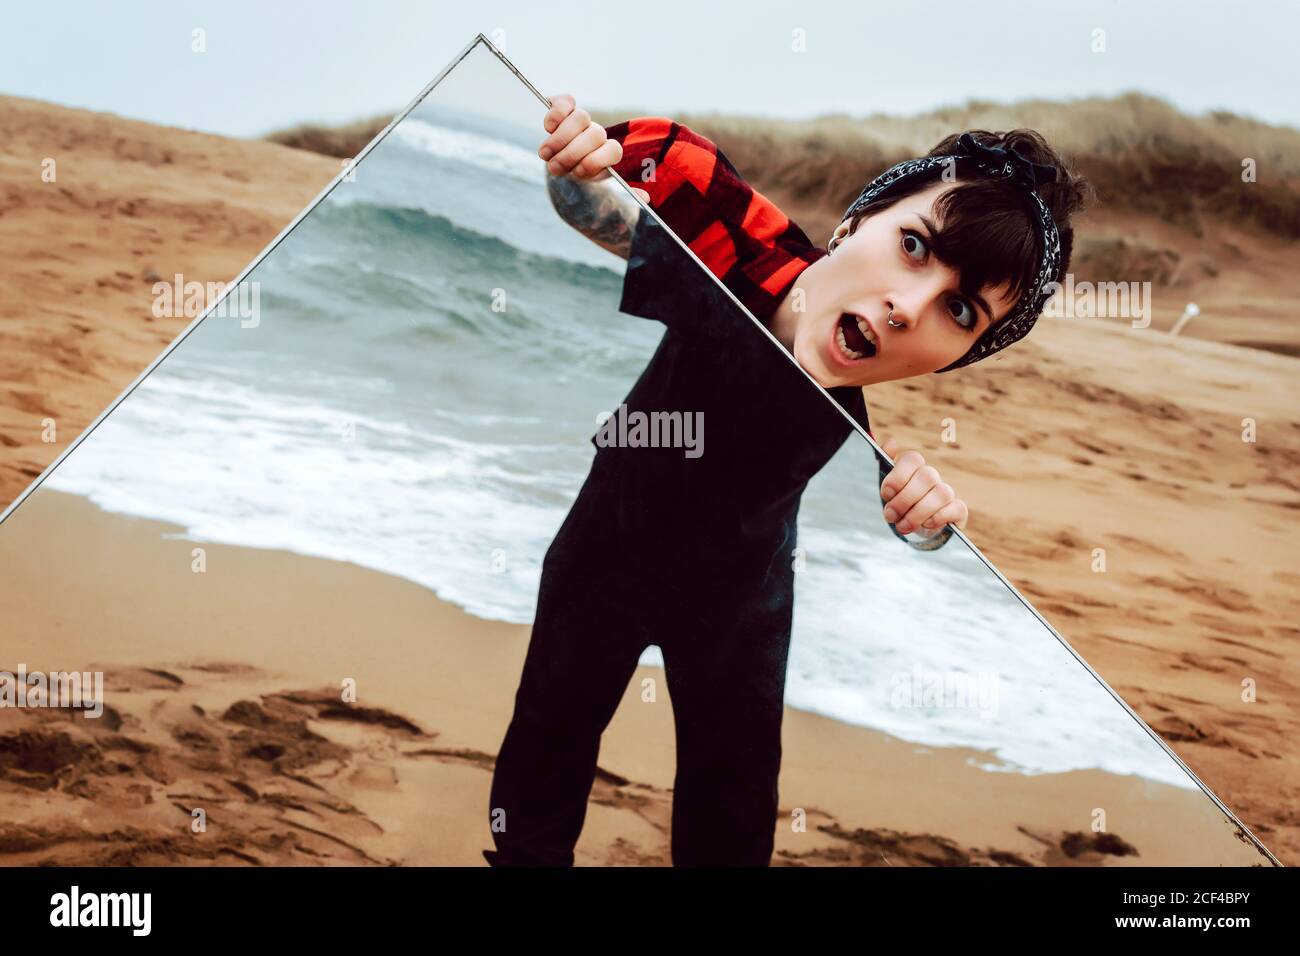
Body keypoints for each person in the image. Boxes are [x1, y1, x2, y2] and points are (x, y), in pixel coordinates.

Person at [484, 96, 1092, 866]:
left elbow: (919, 513)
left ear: (960, 355)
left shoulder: (864, 418)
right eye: (913, 246)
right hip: (608, 548)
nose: (908, 307)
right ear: (857, 221)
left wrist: (933, 523)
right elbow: (604, 213)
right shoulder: (728, 261)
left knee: (733, 798)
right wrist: (576, 166)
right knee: (548, 732)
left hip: (741, 601)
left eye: (960, 309)